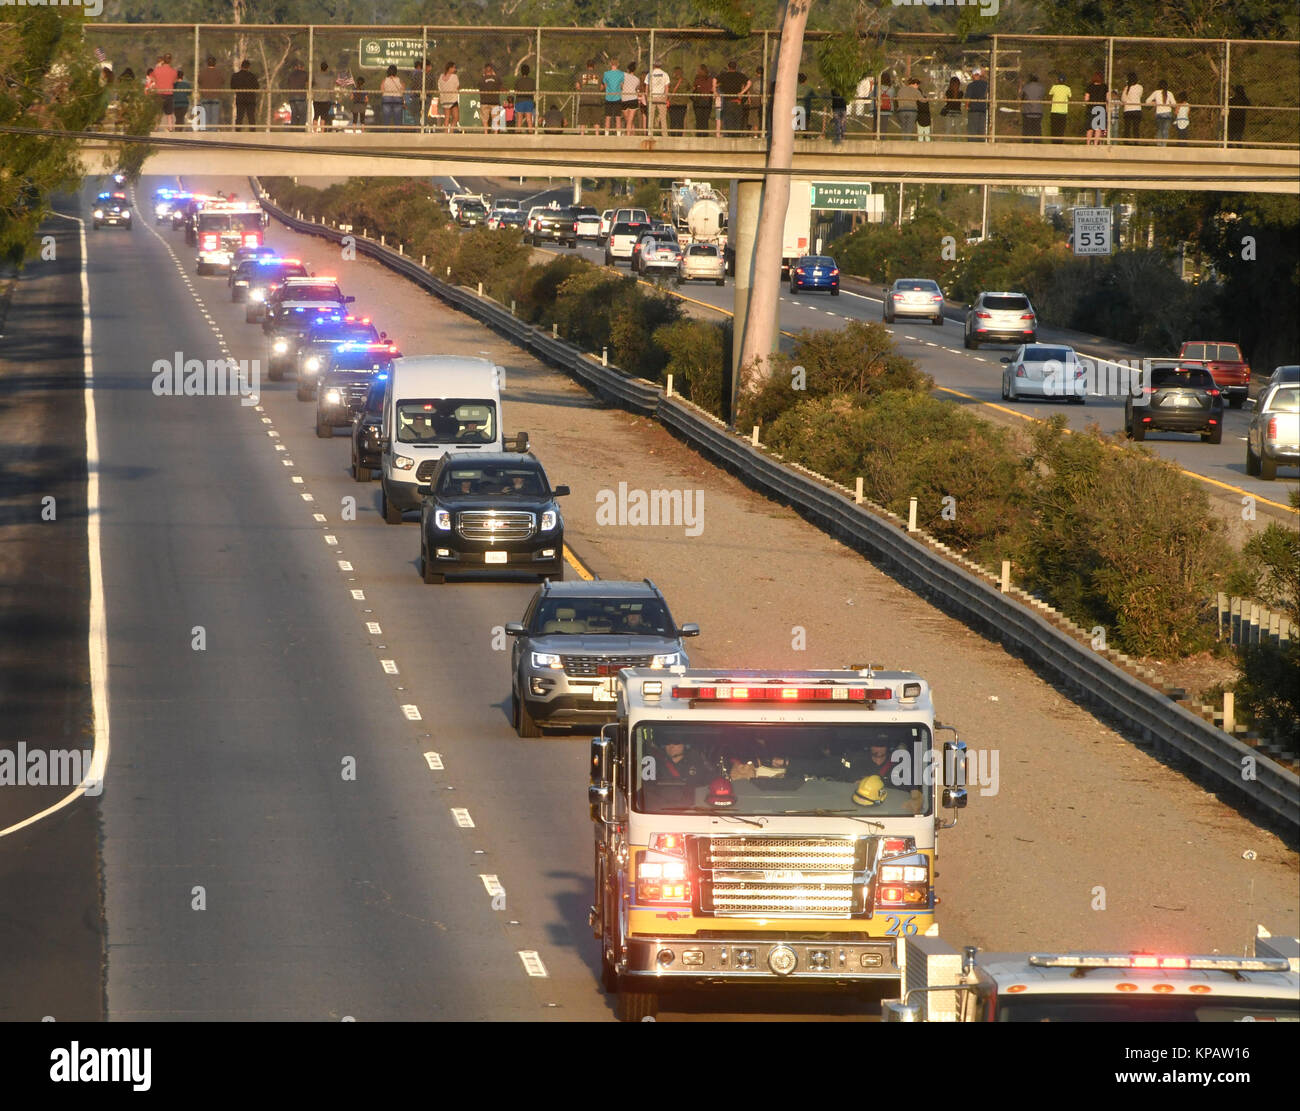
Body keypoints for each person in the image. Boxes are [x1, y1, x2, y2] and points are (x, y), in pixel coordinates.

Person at [648, 741, 715, 785]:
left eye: (676, 742)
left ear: (685, 745)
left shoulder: (698, 762)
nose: (671, 746)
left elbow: (709, 785)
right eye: (667, 743)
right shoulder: (656, 764)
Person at [716, 59, 749, 135]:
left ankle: (730, 134)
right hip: (737, 100)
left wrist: (714, 90)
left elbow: (715, 80)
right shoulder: (739, 75)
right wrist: (742, 92)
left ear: (728, 67)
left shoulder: (725, 75)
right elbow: (749, 82)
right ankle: (736, 134)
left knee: (729, 118)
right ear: (736, 67)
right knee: (737, 118)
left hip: (728, 100)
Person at [575, 58, 602, 134]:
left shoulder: (581, 74)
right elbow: (602, 87)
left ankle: (582, 135)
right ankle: (597, 135)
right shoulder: (599, 75)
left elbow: (577, 86)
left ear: (587, 66)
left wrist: (583, 90)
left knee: (583, 120)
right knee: (596, 120)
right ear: (594, 66)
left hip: (584, 99)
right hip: (596, 100)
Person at [231, 59, 260, 131]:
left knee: (239, 117)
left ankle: (237, 131)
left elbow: (232, 86)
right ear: (249, 67)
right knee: (251, 117)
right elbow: (257, 87)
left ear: (241, 66)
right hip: (250, 99)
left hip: (240, 98)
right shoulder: (252, 76)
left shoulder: (235, 76)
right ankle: (253, 131)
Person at [1145, 78, 1175, 145]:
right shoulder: (1169, 93)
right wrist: (1169, 104)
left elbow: (1147, 101)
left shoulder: (1156, 92)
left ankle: (1159, 145)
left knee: (1159, 130)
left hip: (1159, 114)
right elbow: (1174, 104)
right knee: (1165, 131)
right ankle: (1164, 145)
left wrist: (1154, 102)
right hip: (1168, 113)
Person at [197, 55, 224, 129]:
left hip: (205, 96)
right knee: (214, 116)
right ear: (215, 63)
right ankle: (213, 133)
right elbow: (222, 81)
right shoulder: (218, 72)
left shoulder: (203, 72)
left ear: (207, 63)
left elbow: (199, 81)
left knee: (205, 116)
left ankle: (207, 133)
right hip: (215, 96)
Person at [153, 52, 177, 130]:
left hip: (159, 94)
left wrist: (159, 65)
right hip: (169, 94)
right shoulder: (173, 71)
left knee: (157, 113)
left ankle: (155, 128)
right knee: (169, 114)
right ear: (170, 60)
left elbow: (153, 78)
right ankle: (170, 128)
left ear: (163, 60)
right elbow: (174, 81)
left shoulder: (157, 70)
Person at [645, 58, 669, 136]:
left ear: (654, 65)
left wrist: (647, 96)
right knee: (663, 116)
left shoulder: (650, 74)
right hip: (661, 96)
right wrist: (665, 97)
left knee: (651, 116)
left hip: (652, 95)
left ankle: (650, 133)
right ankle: (664, 134)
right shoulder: (665, 74)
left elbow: (647, 87)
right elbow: (666, 87)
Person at [1083, 70, 1107, 144]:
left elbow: (1086, 98)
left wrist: (1086, 103)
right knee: (1098, 128)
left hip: (1091, 108)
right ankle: (1096, 143)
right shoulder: (1104, 87)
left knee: (1090, 127)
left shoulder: (1090, 86)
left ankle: (1088, 143)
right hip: (1101, 108)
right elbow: (1108, 97)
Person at [479, 63, 504, 132]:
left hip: (484, 102)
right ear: (492, 70)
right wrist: (494, 75)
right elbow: (501, 85)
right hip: (494, 102)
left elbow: (479, 87)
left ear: (485, 71)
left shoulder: (482, 79)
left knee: (485, 120)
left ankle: (486, 133)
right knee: (495, 119)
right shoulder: (496, 78)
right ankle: (495, 133)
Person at [602, 58, 624, 135]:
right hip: (617, 97)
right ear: (618, 64)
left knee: (608, 117)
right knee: (618, 117)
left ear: (611, 64)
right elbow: (622, 86)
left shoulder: (606, 74)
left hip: (608, 97)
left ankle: (606, 133)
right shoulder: (621, 74)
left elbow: (605, 86)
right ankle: (618, 133)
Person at [1019, 72, 1045, 140]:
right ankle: (1037, 142)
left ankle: (1026, 142)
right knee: (1037, 129)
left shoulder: (1026, 87)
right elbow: (1043, 96)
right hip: (1038, 112)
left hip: (1027, 112)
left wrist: (1020, 104)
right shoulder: (1041, 87)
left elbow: (1021, 96)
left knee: (1027, 129)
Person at [965, 67, 988, 140]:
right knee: (981, 128)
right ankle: (981, 144)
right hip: (983, 109)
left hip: (973, 109)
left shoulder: (971, 85)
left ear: (974, 75)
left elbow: (968, 98)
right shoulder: (985, 84)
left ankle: (972, 144)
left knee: (972, 129)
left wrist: (967, 106)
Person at [380, 64, 404, 130]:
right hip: (397, 98)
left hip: (386, 98)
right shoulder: (399, 80)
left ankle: (386, 133)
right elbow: (403, 89)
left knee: (386, 118)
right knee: (397, 118)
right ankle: (397, 133)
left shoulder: (385, 80)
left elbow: (381, 89)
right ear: (396, 71)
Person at [1120, 71, 1143, 142]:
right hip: (1137, 109)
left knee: (1127, 127)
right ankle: (1136, 142)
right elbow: (1140, 95)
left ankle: (1126, 141)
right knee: (1136, 128)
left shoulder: (1127, 88)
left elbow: (1123, 99)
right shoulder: (1140, 87)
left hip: (1128, 110)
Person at [691, 63, 714, 135]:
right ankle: (705, 134)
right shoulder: (710, 79)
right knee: (705, 119)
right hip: (707, 101)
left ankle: (699, 134)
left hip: (699, 101)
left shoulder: (697, 79)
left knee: (699, 119)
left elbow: (694, 89)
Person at [437, 61, 460, 132]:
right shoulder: (454, 76)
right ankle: (452, 129)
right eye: (454, 68)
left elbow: (439, 86)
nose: (455, 69)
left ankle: (446, 131)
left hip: (444, 99)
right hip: (452, 99)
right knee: (456, 117)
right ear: (450, 68)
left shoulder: (441, 77)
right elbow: (457, 86)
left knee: (447, 117)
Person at [1047, 74, 1070, 142]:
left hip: (1054, 110)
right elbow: (1070, 96)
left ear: (1058, 80)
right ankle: (1060, 141)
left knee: (1054, 127)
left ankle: (1054, 141)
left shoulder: (1054, 87)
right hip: (1063, 111)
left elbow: (1050, 95)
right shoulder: (1067, 88)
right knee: (1061, 128)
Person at [285, 59, 307, 127]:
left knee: (294, 114)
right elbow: (311, 83)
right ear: (302, 67)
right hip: (301, 96)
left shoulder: (290, 74)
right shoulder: (304, 74)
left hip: (292, 96)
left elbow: (288, 83)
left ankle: (293, 129)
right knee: (302, 114)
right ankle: (300, 130)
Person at [621, 61, 641, 135]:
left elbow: (621, 85)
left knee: (628, 121)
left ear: (628, 69)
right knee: (630, 120)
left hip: (624, 99)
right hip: (633, 99)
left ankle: (628, 136)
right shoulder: (637, 79)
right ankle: (633, 134)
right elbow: (637, 89)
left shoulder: (624, 75)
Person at [514, 62, 536, 131]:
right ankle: (530, 132)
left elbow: (516, 91)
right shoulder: (532, 81)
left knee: (519, 119)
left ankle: (518, 132)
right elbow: (534, 91)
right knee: (529, 118)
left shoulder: (518, 81)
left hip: (520, 101)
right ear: (528, 72)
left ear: (521, 72)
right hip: (529, 101)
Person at [312, 60, 333, 130]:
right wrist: (332, 98)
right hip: (326, 100)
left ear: (320, 68)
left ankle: (314, 131)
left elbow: (312, 85)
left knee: (316, 116)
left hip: (316, 99)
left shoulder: (316, 76)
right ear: (327, 69)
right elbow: (331, 89)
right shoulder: (329, 78)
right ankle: (322, 132)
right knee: (323, 117)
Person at [666, 65, 687, 135]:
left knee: (673, 120)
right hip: (682, 104)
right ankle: (679, 135)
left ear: (674, 72)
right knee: (680, 120)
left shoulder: (671, 81)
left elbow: (667, 89)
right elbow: (690, 88)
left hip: (673, 104)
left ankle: (672, 134)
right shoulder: (685, 81)